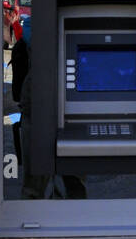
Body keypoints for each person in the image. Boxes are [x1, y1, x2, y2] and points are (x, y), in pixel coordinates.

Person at [11, 18, 86, 200]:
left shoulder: (32, 25)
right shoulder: (35, 25)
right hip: (47, 108)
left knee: (40, 183)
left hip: (42, 107)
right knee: (63, 182)